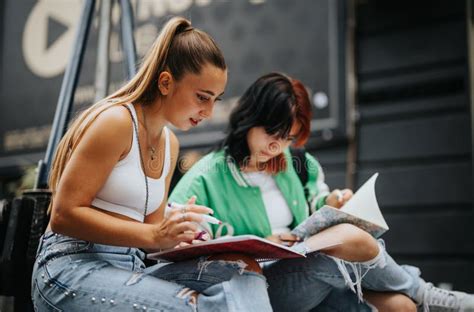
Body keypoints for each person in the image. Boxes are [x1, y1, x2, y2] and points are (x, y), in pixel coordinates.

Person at [169, 72, 474, 312]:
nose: (277, 146)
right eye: (271, 134)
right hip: (257, 285)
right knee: (349, 240)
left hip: (308, 275)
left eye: (288, 138)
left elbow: (313, 204)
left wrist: (330, 203)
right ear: (249, 120)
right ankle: (424, 292)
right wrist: (259, 245)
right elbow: (174, 245)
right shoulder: (206, 175)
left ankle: (418, 295)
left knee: (401, 307)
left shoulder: (298, 162)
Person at [31, 17, 274, 311]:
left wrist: (182, 232)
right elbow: (63, 215)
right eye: (202, 97)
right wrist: (156, 234)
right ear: (165, 82)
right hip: (71, 267)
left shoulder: (170, 143)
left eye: (215, 100)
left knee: (244, 270)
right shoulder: (116, 121)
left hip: (130, 267)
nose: (208, 112)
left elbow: (151, 239)